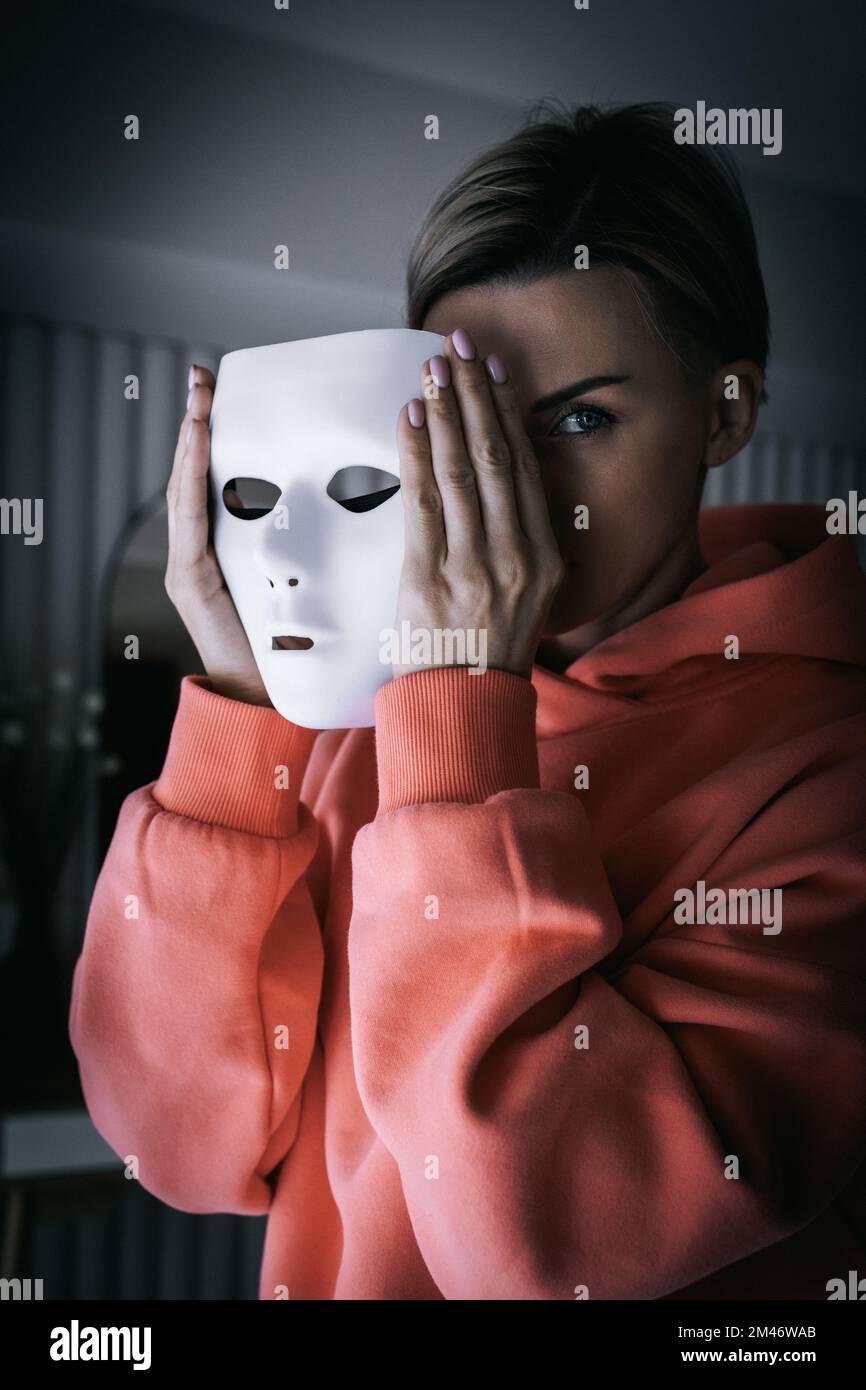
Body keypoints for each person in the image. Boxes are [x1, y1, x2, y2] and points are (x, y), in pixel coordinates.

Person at [68, 101, 866, 1300]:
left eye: (578, 422)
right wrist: (240, 707)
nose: (504, 489)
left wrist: (459, 734)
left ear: (726, 412)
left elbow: (556, 1254)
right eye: (465, 423)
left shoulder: (829, 776)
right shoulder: (352, 714)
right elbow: (175, 1148)